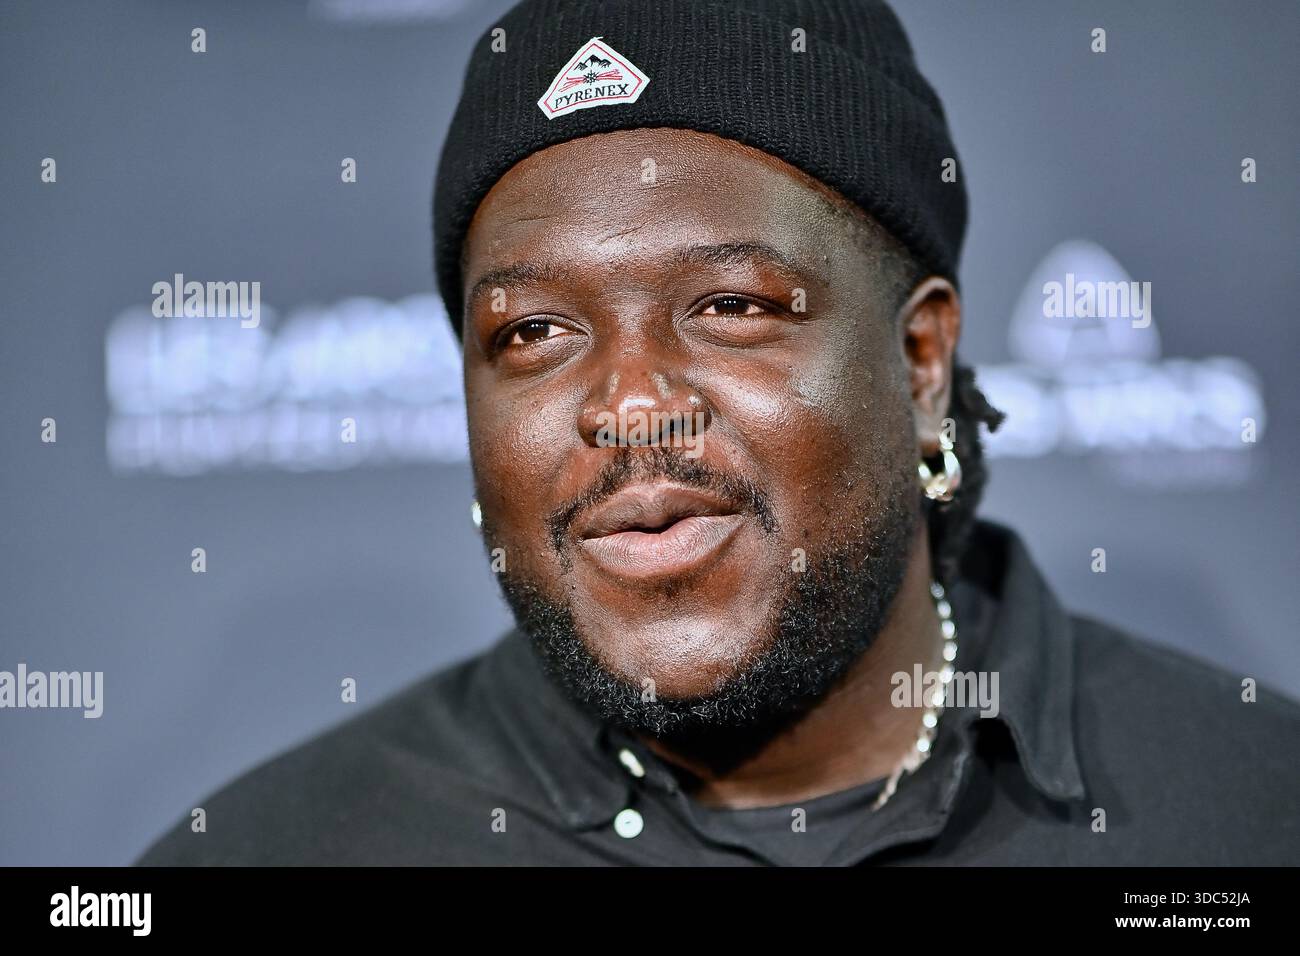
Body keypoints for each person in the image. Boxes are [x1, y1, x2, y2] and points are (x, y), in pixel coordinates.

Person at [137, 0, 1299, 866]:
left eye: (731, 307)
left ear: (920, 362)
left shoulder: (1248, 811)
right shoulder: (273, 852)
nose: (629, 405)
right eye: (534, 331)